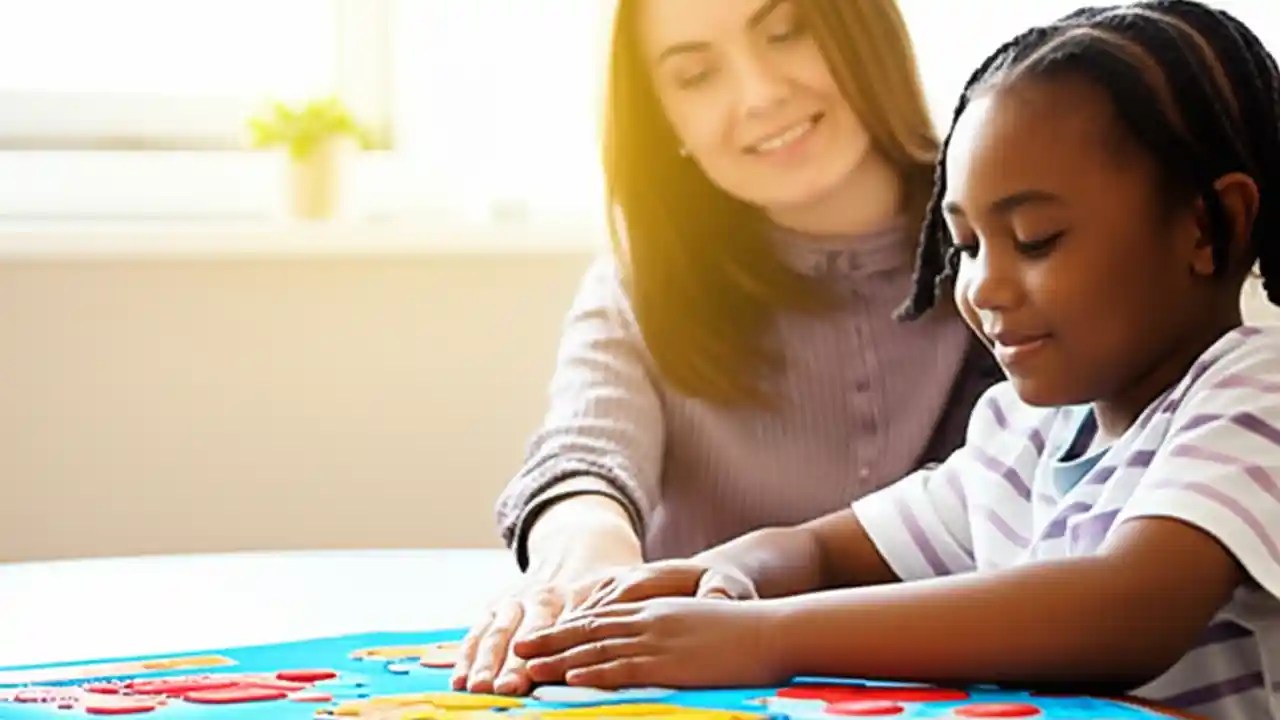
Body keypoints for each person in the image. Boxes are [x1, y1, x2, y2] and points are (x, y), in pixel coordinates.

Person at [511, 3, 1280, 718]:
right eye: (965, 247)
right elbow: (820, 549)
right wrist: (726, 576)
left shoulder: (1255, 395)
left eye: (1036, 240)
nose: (982, 287)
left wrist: (769, 635)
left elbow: (1124, 610)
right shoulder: (1020, 437)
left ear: (1208, 225)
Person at [452, 0, 1000, 696]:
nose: (759, 94)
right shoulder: (644, 284)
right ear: (664, 120)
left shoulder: (1014, 249)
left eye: (786, 33)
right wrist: (585, 558)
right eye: (695, 75)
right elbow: (583, 455)